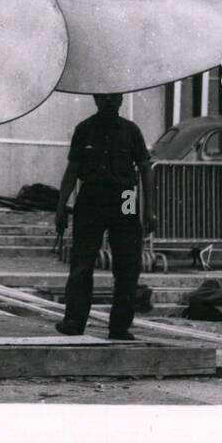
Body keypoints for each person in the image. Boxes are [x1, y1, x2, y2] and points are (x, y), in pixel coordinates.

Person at [54, 93, 156, 340]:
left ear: (121, 100)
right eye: (104, 98)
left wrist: (150, 210)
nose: (109, 102)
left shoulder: (131, 131)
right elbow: (73, 168)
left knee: (128, 264)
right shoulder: (84, 129)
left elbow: (144, 168)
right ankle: (74, 321)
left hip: (126, 198)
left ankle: (120, 327)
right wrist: (60, 206)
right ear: (96, 99)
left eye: (114, 98)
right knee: (81, 262)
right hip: (92, 195)